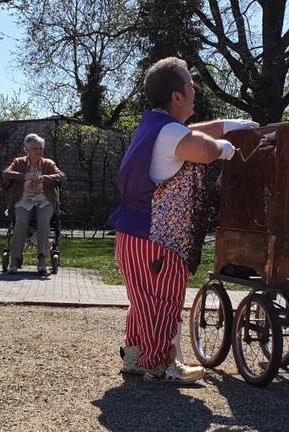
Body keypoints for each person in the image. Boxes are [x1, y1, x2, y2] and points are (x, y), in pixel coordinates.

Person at [108, 57, 258, 384]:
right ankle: (161, 363)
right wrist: (223, 147)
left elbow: (192, 132)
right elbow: (201, 147)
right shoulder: (169, 133)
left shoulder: (153, 127)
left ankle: (135, 356)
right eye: (190, 87)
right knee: (165, 301)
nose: (194, 92)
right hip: (158, 239)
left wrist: (230, 124)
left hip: (131, 236)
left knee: (143, 302)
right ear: (177, 96)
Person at [3, 133, 65, 276]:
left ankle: (42, 260)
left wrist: (45, 178)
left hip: (44, 200)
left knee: (44, 221)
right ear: (27, 149)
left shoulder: (48, 163)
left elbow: (61, 175)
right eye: (35, 148)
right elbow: (6, 173)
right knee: (21, 221)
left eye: (40, 148)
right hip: (24, 201)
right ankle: (15, 259)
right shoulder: (19, 162)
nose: (39, 151)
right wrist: (24, 176)